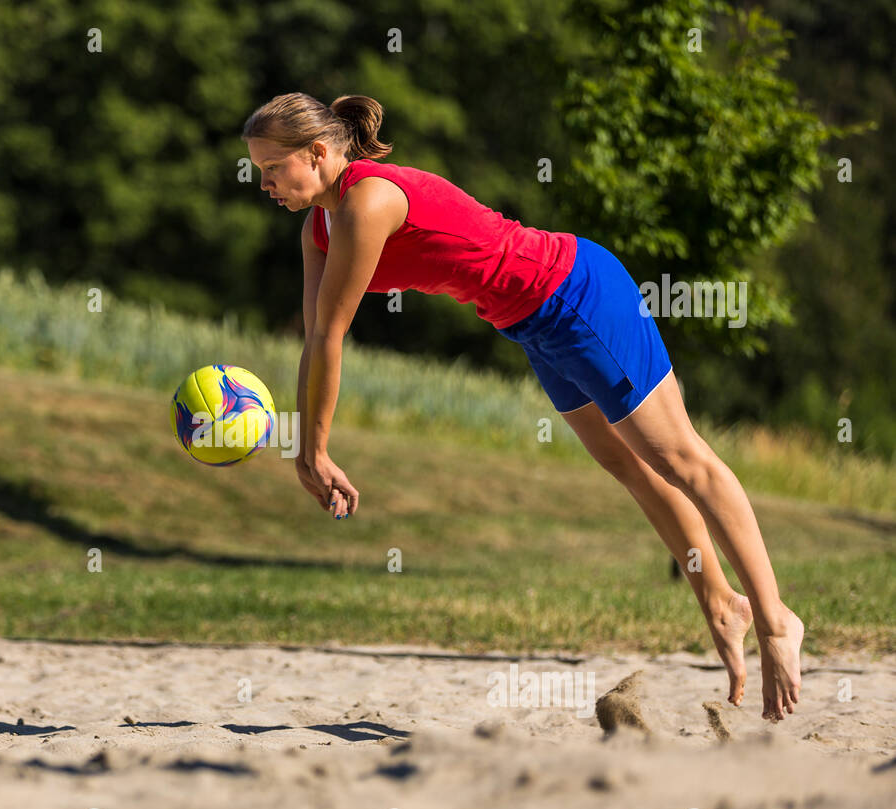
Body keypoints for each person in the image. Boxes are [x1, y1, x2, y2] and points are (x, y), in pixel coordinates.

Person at [241, 92, 804, 722]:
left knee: (682, 458)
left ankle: (777, 620)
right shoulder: (318, 227)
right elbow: (316, 338)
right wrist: (305, 452)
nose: (262, 183)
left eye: (272, 168)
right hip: (531, 324)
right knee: (632, 467)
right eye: (258, 171)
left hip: (576, 294)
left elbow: (332, 334)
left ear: (318, 152)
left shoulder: (367, 202)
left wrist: (316, 448)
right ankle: (722, 603)